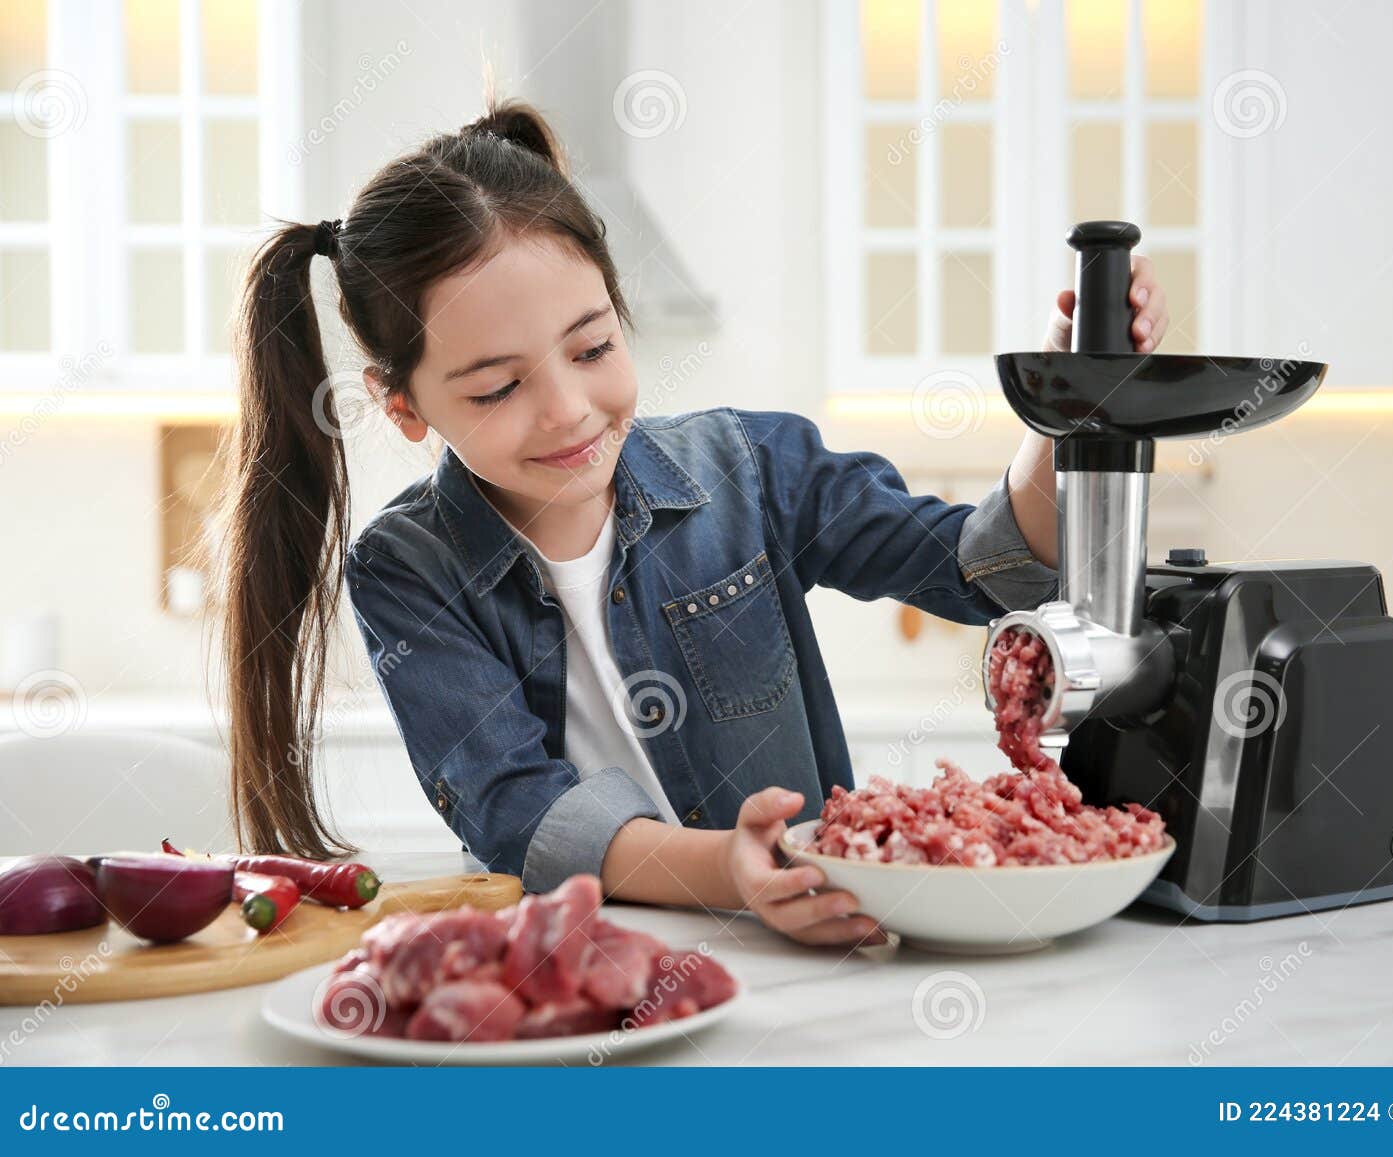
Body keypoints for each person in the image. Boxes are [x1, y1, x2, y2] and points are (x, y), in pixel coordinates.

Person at [217, 96, 1169, 948]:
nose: (566, 410)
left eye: (592, 347)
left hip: (819, 962)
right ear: (405, 407)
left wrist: (1070, 401)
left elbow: (983, 569)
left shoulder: (747, 470)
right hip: (597, 973)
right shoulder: (408, 568)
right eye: (500, 385)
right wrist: (733, 873)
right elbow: (517, 810)